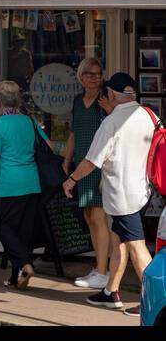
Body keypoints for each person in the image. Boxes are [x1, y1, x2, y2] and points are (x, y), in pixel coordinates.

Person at [64, 72, 157, 312]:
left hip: (121, 196)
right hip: (143, 191)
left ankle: (156, 301)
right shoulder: (149, 115)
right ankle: (110, 292)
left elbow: (91, 161)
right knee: (119, 243)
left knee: (136, 247)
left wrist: (71, 179)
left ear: (112, 94)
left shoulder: (111, 123)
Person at [0, 80, 51, 289]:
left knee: (3, 229)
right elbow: (48, 145)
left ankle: (25, 264)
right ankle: (16, 277)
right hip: (32, 183)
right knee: (23, 232)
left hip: (10, 185)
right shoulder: (30, 122)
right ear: (19, 100)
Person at [63, 57, 114, 291]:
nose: (94, 78)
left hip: (98, 164)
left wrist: (110, 110)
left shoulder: (104, 99)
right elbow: (74, 133)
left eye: (98, 74)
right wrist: (67, 160)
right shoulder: (77, 101)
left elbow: (116, 127)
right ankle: (99, 267)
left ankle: (103, 272)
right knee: (88, 215)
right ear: (81, 76)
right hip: (81, 164)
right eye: (89, 74)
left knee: (98, 217)